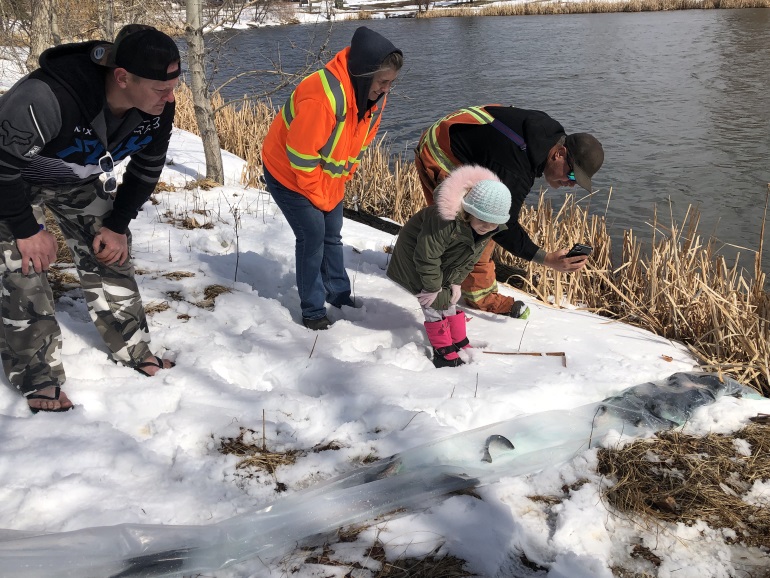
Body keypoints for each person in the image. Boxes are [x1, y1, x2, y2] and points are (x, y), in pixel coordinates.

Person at [0, 24, 180, 413]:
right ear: (122, 77)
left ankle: (132, 347)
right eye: (160, 89)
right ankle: (37, 376)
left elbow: (147, 169)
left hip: (74, 178)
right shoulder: (45, 97)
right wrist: (27, 229)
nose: (170, 98)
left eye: (174, 87)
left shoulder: (157, 107)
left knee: (110, 250)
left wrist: (118, 226)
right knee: (24, 264)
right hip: (12, 182)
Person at [262, 27, 403, 331]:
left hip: (324, 176)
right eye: (383, 82)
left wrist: (342, 177)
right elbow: (300, 155)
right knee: (312, 234)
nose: (387, 89)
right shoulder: (323, 96)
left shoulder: (373, 96)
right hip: (287, 171)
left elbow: (360, 141)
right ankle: (313, 311)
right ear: (365, 75)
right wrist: (319, 195)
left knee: (333, 231)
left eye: (391, 82)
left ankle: (338, 294)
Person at [414, 105, 604, 317]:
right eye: (571, 176)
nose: (570, 185)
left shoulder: (547, 133)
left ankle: (426, 260)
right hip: (440, 152)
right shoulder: (514, 169)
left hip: (449, 131)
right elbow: (504, 228)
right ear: (559, 153)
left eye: (576, 182)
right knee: (481, 225)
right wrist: (546, 258)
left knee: (482, 216)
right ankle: (480, 296)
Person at [387, 165, 512, 368]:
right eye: (483, 221)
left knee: (450, 299)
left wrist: (456, 282)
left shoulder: (484, 230)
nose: (488, 228)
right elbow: (427, 256)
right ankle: (442, 351)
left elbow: (469, 259)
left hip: (442, 260)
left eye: (494, 224)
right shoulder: (444, 221)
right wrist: (432, 287)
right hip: (414, 258)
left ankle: (457, 339)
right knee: (433, 302)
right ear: (469, 211)